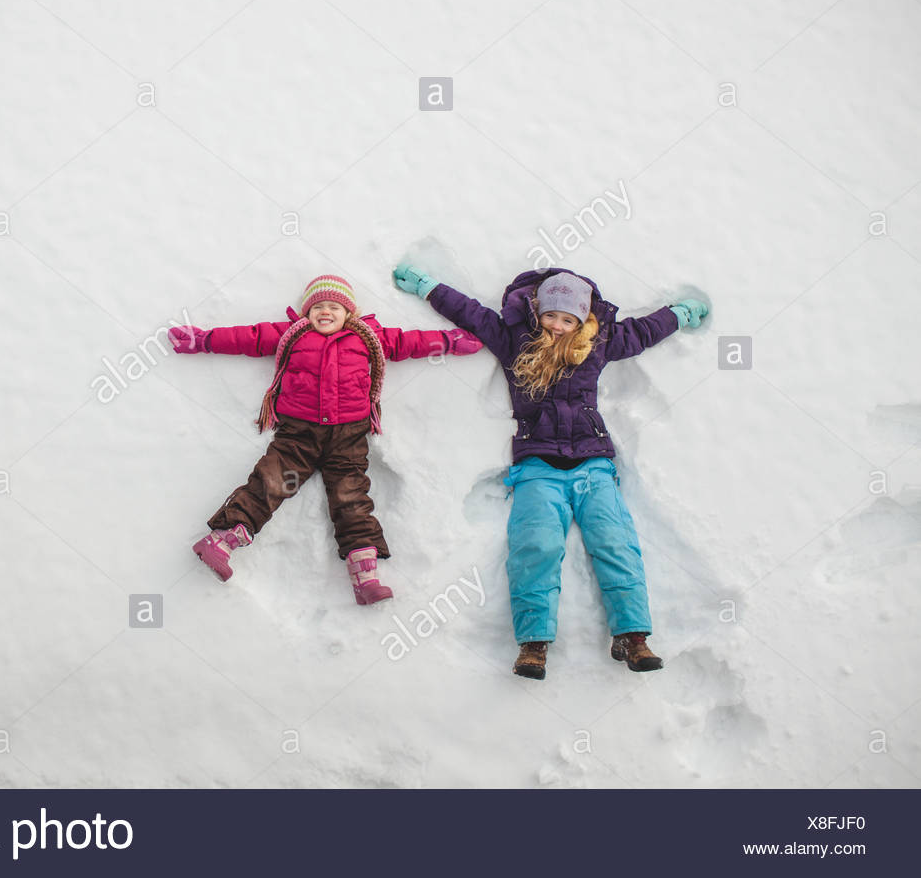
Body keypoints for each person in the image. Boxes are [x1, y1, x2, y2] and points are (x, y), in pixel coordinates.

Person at [393, 263, 708, 677]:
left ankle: (633, 637)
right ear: (537, 311)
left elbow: (643, 332)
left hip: (594, 463)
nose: (558, 326)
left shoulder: (599, 341)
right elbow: (469, 312)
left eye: (568, 318)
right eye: (551, 316)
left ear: (582, 319)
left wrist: (679, 315)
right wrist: (428, 286)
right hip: (537, 464)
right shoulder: (513, 340)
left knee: (615, 542)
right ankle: (534, 643)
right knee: (535, 546)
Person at [169, 274, 481, 604]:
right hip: (298, 436)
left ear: (350, 313)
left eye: (335, 306)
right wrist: (202, 340)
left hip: (348, 439)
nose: (326, 312)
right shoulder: (291, 333)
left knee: (351, 497)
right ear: (307, 312)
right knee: (271, 482)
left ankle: (364, 574)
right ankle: (221, 541)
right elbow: (248, 337)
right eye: (318, 306)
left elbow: (410, 342)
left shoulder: (370, 337)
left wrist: (450, 341)